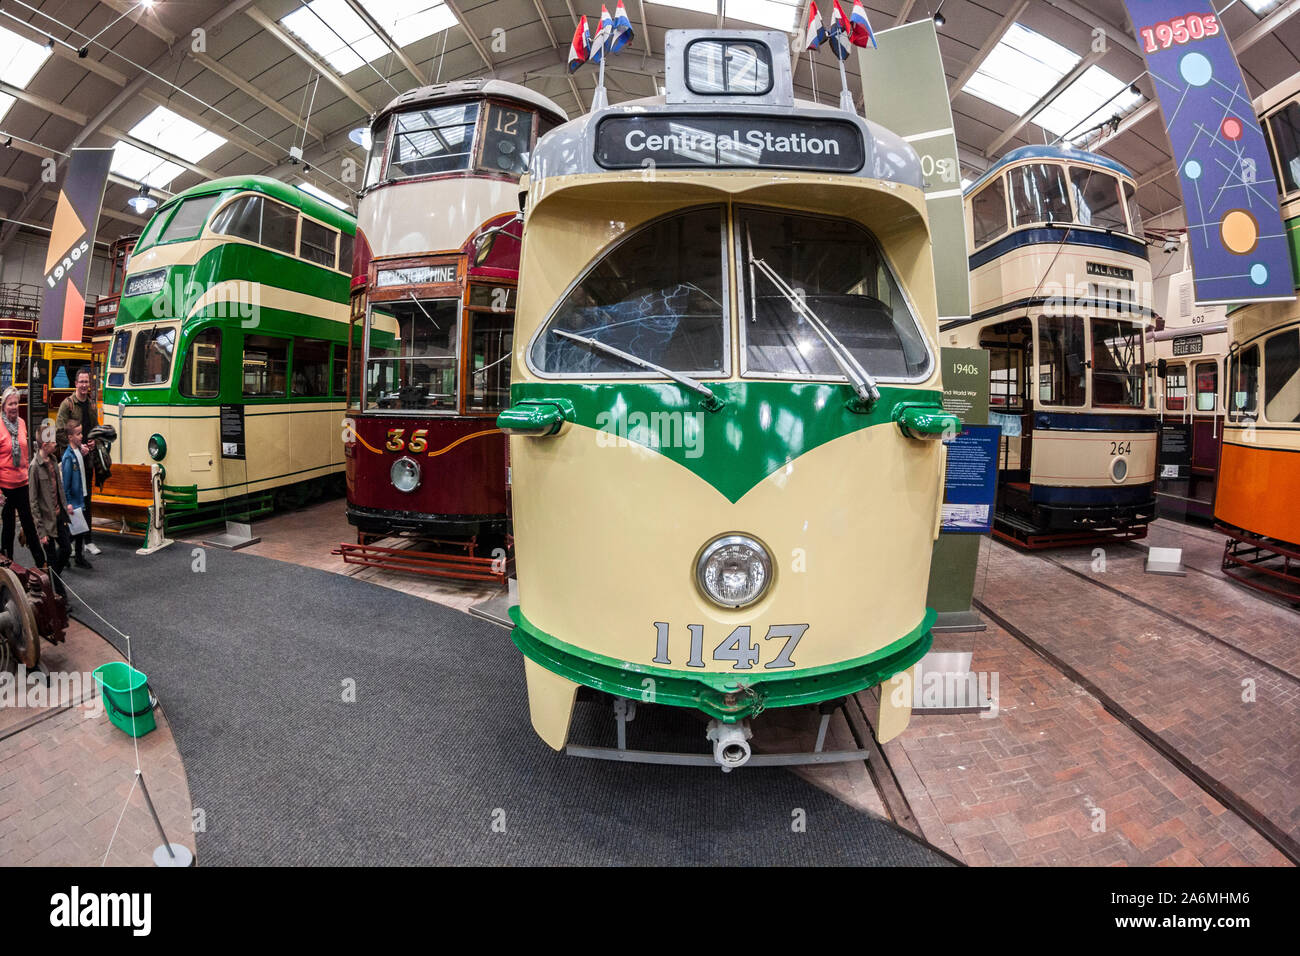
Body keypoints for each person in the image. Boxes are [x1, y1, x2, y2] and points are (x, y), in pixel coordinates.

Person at [55, 366, 100, 556]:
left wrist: (93, 442)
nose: (84, 385)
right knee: (71, 501)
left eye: (86, 382)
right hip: (71, 462)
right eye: (81, 382)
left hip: (87, 461)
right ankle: (70, 541)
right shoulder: (68, 405)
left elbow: (96, 428)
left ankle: (88, 541)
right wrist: (76, 446)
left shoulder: (91, 405)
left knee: (86, 499)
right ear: (75, 384)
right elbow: (58, 432)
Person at [0, 386, 45, 567]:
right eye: (10, 403)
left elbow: (26, 456)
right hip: (5, 487)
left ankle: (43, 565)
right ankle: (7, 568)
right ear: (3, 405)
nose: (14, 407)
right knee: (8, 530)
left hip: (22, 483)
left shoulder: (22, 423)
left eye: (16, 403)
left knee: (30, 527)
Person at [29, 423, 71, 592]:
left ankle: (53, 576)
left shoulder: (54, 460)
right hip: (46, 523)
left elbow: (59, 487)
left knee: (67, 550)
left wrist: (65, 505)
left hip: (59, 517)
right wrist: (41, 532)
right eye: (53, 441)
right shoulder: (34, 468)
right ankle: (61, 597)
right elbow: (33, 502)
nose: (56, 443)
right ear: (45, 445)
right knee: (52, 559)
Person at [61, 420, 92, 570]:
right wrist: (68, 502)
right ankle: (63, 554)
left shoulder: (79, 451)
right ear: (70, 437)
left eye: (81, 433)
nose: (81, 436)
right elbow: (65, 483)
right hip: (74, 500)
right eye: (78, 434)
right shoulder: (68, 457)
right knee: (73, 533)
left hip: (82, 495)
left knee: (81, 530)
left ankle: (79, 556)